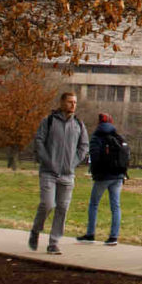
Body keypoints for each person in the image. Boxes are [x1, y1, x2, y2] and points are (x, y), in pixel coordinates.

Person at [29, 91, 89, 255]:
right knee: (48, 204)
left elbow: (84, 146)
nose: (73, 105)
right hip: (49, 172)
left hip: (67, 175)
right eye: (70, 102)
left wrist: (73, 162)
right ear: (62, 103)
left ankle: (54, 242)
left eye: (75, 102)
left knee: (62, 208)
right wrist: (47, 160)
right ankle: (36, 229)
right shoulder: (48, 121)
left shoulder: (78, 124)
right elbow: (39, 141)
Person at [78, 113, 128, 245]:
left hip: (103, 176)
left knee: (94, 204)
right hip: (118, 175)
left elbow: (94, 157)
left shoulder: (96, 136)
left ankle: (90, 234)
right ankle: (113, 237)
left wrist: (95, 173)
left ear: (99, 122)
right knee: (115, 206)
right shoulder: (117, 136)